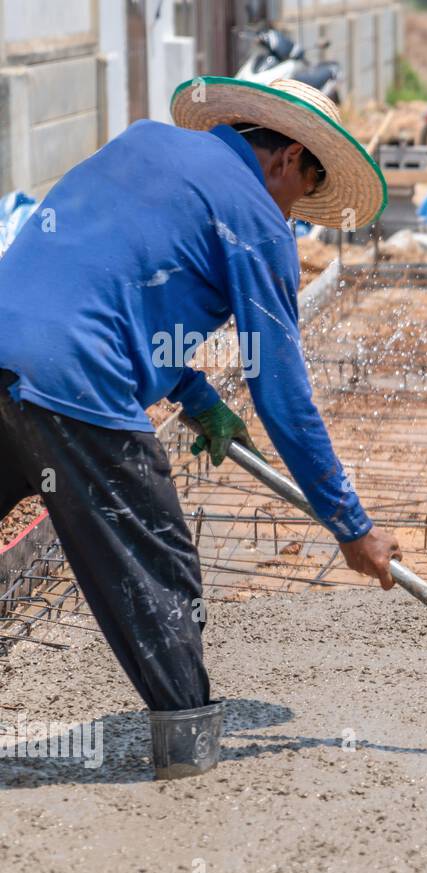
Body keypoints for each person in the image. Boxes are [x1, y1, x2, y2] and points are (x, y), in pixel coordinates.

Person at [0, 77, 400, 778]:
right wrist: (351, 526)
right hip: (74, 381)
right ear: (286, 158)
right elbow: (282, 393)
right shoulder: (256, 219)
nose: (297, 212)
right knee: (158, 570)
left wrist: (193, 391)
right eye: (303, 188)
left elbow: (107, 277)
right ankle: (189, 765)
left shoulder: (145, 142)